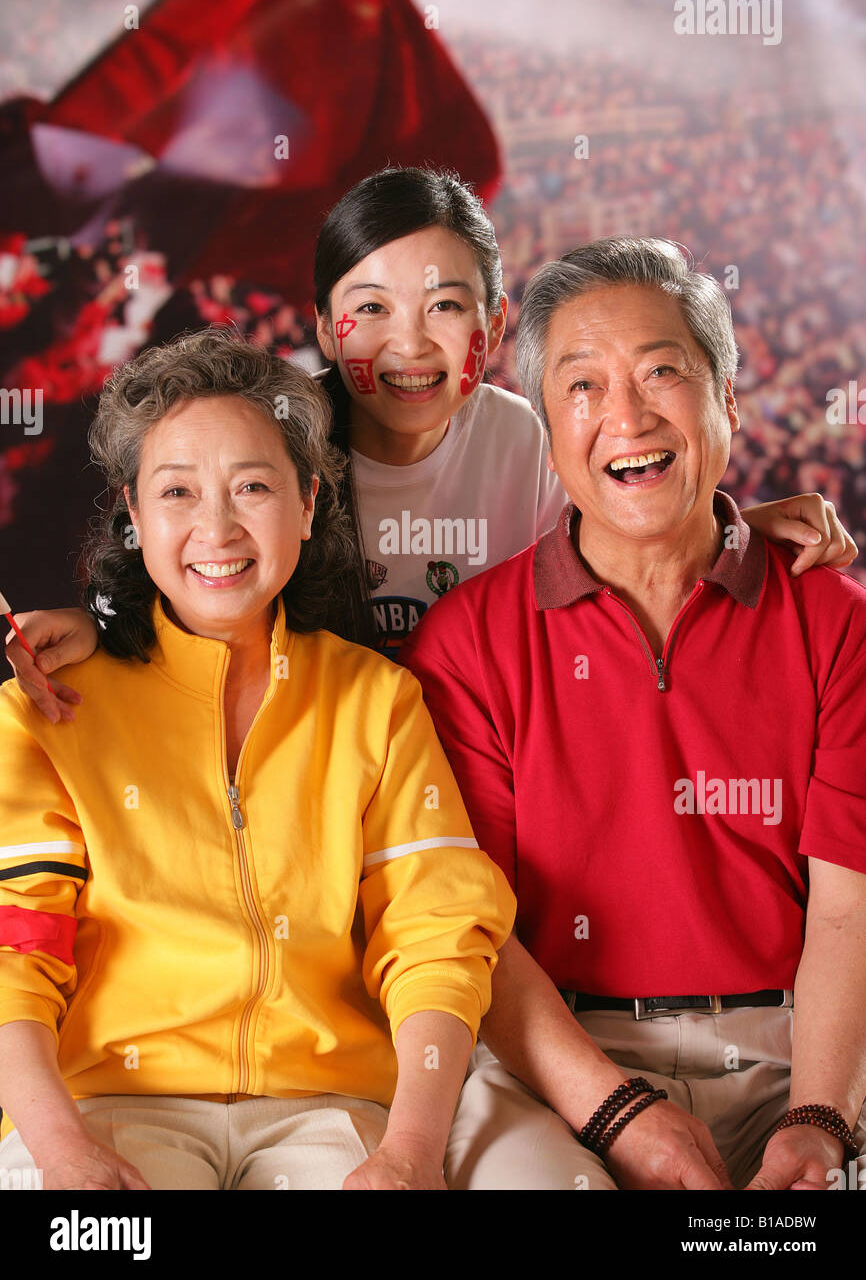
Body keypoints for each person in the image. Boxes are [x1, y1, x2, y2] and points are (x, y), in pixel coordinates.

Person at [4, 168, 857, 705]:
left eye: (444, 307)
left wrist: (734, 519)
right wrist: (104, 631)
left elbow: (629, 525)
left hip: (493, 776)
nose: (408, 346)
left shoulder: (529, 441)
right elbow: (190, 559)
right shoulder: (272, 438)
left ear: (492, 323)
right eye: (370, 309)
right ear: (327, 330)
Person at [400, 237, 866, 1190]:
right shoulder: (468, 641)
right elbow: (475, 931)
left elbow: (850, 913)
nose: (626, 417)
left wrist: (820, 1119)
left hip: (800, 1041)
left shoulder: (836, 623)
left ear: (727, 403)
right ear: (545, 427)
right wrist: (618, 1114)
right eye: (583, 387)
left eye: (663, 373)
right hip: (558, 1063)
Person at [0, 329, 515, 1191]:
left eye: (253, 486)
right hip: (106, 1109)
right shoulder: (44, 707)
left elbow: (436, 941)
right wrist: (64, 1156)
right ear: (133, 513)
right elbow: (16, 952)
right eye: (176, 491)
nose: (216, 527)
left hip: (332, 1110)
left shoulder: (376, 701)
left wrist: (407, 1158)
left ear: (310, 503)